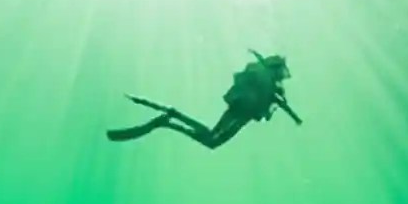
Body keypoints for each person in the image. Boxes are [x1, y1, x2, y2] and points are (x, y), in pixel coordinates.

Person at [106, 50, 301, 148]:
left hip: (239, 112)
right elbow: (282, 105)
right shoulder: (270, 81)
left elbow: (283, 105)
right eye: (282, 72)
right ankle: (171, 120)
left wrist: (294, 117)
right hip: (240, 113)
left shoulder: (268, 80)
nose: (282, 76)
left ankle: (171, 118)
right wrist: (295, 118)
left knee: (211, 139)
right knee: (212, 141)